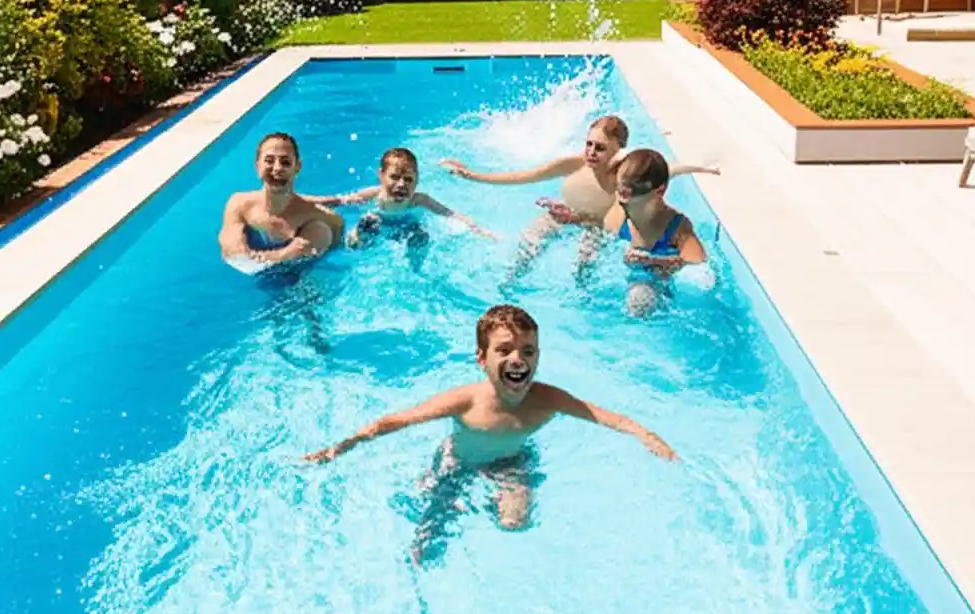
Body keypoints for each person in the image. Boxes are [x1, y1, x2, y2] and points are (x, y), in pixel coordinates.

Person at [304, 304, 677, 564]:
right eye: (505, 350)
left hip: (513, 463)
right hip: (458, 460)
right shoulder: (465, 401)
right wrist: (340, 448)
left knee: (514, 524)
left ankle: (487, 505)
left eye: (528, 351)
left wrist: (649, 437)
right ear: (482, 359)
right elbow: (397, 421)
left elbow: (606, 417)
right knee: (430, 530)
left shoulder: (548, 399)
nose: (518, 359)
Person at [437, 115, 717, 279]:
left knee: (583, 265)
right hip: (561, 216)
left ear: (618, 151)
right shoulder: (572, 165)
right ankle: (510, 282)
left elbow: (665, 171)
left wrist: (700, 168)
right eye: (589, 144)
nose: (591, 152)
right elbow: (521, 176)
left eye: (600, 148)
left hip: (595, 226)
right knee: (529, 243)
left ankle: (583, 298)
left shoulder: (624, 177)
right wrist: (471, 175)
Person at [309, 147, 497, 246]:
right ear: (381, 176)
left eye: (408, 179)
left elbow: (449, 213)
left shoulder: (419, 200)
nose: (401, 184)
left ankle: (416, 271)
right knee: (367, 224)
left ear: (416, 181)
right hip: (379, 223)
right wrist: (310, 206)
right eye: (394, 177)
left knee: (420, 236)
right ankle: (359, 237)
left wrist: (477, 229)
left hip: (406, 224)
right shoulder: (373, 195)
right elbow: (341, 200)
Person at [602, 148, 708, 317]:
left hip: (655, 286)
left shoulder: (676, 226)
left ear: (659, 192)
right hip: (619, 282)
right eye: (619, 188)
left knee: (639, 300)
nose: (622, 197)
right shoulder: (618, 213)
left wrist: (655, 261)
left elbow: (699, 265)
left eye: (629, 192)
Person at [218, 132, 345, 271]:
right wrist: (270, 257)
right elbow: (230, 248)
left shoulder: (320, 216)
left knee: (321, 230)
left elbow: (341, 248)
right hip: (258, 274)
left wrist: (272, 256)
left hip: (301, 279)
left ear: (297, 167)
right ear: (257, 166)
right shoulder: (239, 205)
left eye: (285, 162)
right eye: (269, 161)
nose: (277, 168)